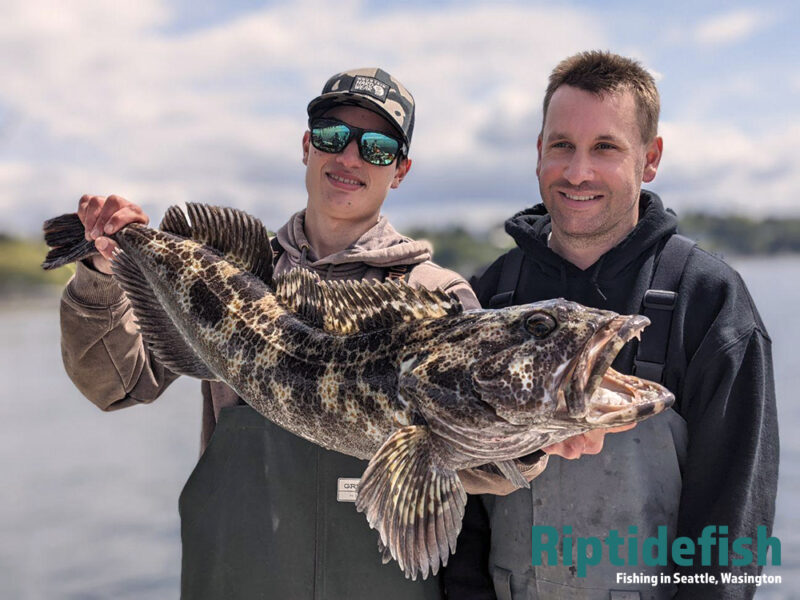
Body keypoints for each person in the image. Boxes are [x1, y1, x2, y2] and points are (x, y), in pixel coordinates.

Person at [60, 68, 492, 600]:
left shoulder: (438, 298)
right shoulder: (226, 277)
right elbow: (115, 385)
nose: (350, 157)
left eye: (377, 147)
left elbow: (492, 464)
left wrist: (537, 441)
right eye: (333, 135)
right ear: (307, 145)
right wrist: (100, 274)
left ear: (400, 170)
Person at [444, 51, 778, 600]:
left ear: (650, 158)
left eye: (605, 147)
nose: (578, 172)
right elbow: (457, 516)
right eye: (562, 146)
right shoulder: (489, 297)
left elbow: (731, 534)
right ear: (538, 152)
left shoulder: (708, 300)